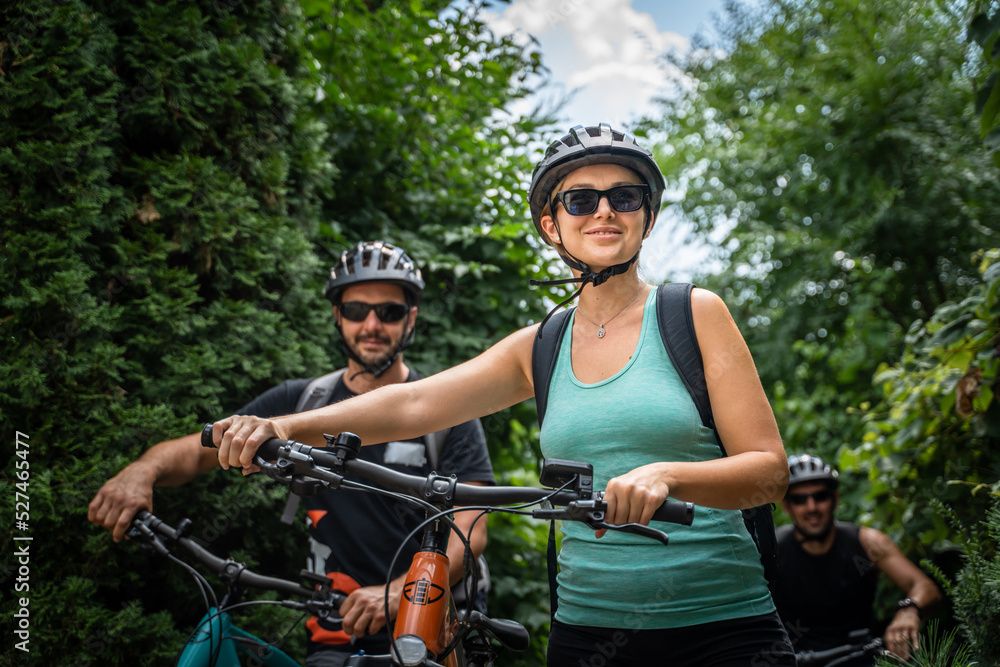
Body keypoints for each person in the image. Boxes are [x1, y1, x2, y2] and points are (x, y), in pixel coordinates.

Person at [208, 123, 796, 666]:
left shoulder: (694, 314)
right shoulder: (540, 347)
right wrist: (286, 427)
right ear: (551, 224)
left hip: (724, 624)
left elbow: (769, 473)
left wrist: (668, 475)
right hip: (588, 630)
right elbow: (415, 404)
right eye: (580, 199)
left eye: (625, 196)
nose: (604, 211)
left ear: (648, 216)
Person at [88, 241, 495, 667]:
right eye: (357, 310)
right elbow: (200, 449)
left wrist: (398, 593)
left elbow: (472, 530)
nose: (372, 324)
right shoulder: (303, 403)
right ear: (338, 316)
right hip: (334, 629)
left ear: (410, 318)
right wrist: (142, 470)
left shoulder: (445, 414)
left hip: (429, 629)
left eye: (389, 312)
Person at [773, 454, 942, 665]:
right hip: (796, 661)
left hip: (861, 657)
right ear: (787, 506)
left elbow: (925, 587)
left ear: (835, 499)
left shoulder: (868, 543)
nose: (811, 507)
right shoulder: (773, 550)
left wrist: (910, 610)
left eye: (820, 496)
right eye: (799, 499)